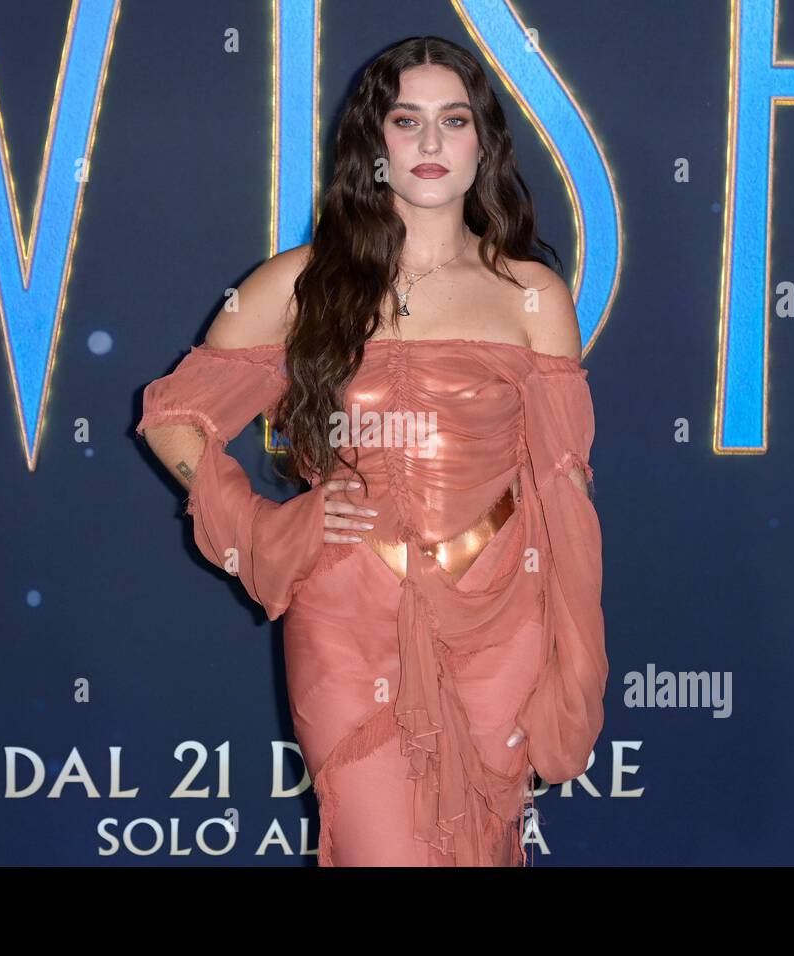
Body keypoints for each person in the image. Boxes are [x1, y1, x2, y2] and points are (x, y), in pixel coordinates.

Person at [136, 36, 607, 866]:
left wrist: (573, 657)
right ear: (375, 145)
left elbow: (563, 492)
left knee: (479, 846)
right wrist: (265, 525)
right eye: (406, 121)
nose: (430, 145)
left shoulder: (532, 294)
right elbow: (176, 415)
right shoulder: (297, 283)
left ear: (482, 143)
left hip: (499, 611)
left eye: (452, 121)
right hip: (349, 613)